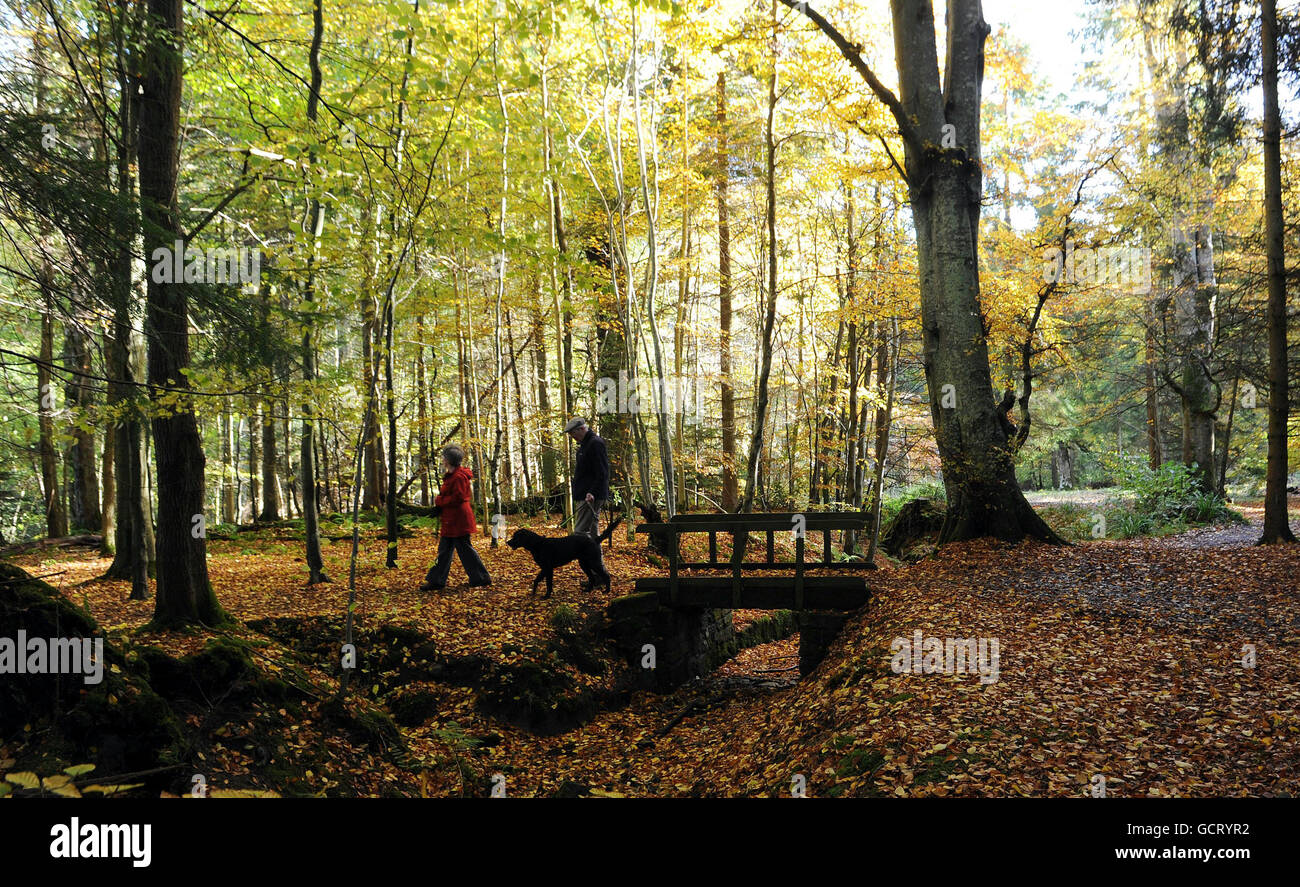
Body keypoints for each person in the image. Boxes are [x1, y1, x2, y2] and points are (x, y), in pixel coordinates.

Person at [419, 446, 492, 591]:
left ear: (448, 460)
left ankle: (481, 578)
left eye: (444, 457)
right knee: (445, 551)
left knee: (465, 550)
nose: (442, 460)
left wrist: (439, 501)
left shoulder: (458, 477)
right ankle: (437, 580)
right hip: (451, 520)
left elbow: (459, 498)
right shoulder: (453, 475)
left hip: (458, 520)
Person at [564, 418, 608, 555]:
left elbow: (602, 471)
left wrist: (592, 492)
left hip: (590, 496)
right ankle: (598, 570)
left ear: (582, 429)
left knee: (580, 532)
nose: (573, 437)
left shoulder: (595, 443)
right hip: (586, 494)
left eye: (574, 434)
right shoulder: (585, 444)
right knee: (593, 534)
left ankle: (590, 566)